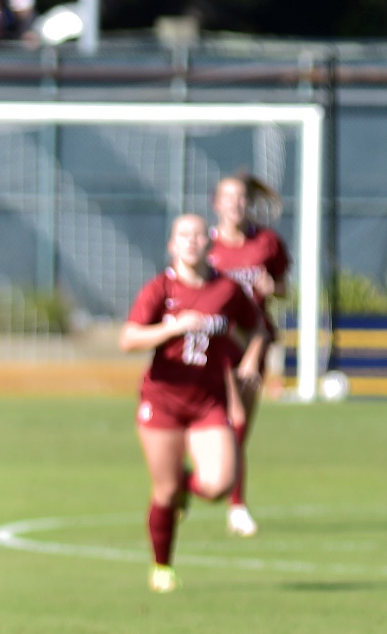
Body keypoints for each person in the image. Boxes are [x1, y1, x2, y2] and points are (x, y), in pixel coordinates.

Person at [121, 214, 269, 593]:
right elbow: (128, 339)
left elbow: (257, 328)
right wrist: (172, 327)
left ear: (209, 242)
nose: (191, 241)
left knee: (220, 483)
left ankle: (185, 482)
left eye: (198, 234)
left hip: (207, 403)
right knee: (165, 493)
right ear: (172, 245)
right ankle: (162, 566)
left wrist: (251, 358)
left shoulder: (227, 289)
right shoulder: (161, 289)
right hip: (162, 403)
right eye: (183, 235)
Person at [207, 173, 291, 538]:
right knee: (218, 421)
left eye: (240, 197)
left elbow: (284, 287)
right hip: (214, 344)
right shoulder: (205, 246)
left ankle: (235, 506)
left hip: (253, 343)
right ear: (216, 203)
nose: (235, 204)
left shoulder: (267, 243)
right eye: (228, 197)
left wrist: (274, 288)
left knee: (238, 427)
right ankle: (197, 482)